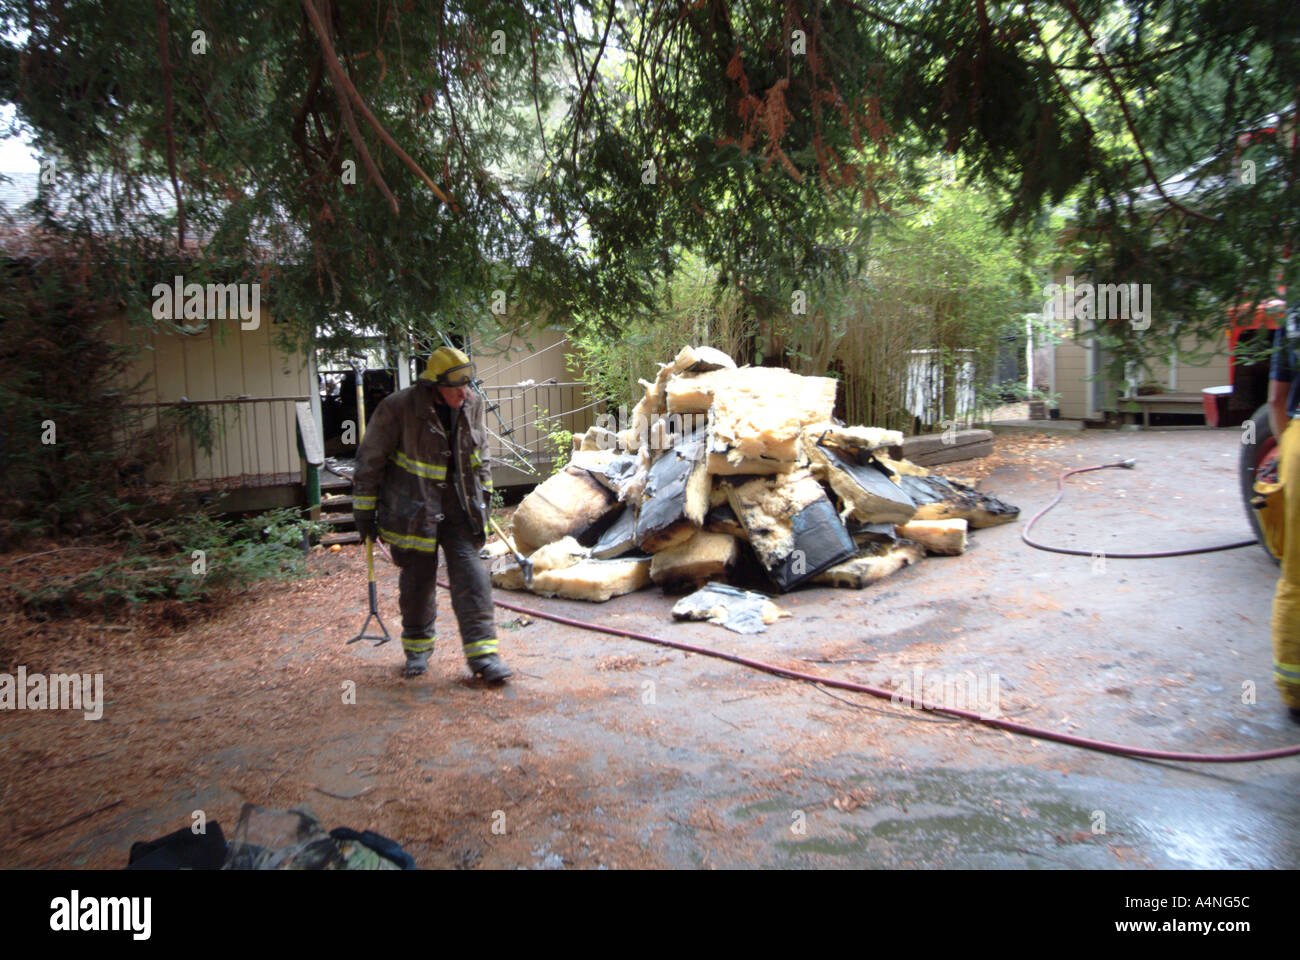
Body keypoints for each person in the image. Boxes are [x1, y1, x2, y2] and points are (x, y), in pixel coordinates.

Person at [351, 346, 511, 682]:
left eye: (467, 385)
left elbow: (481, 453)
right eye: (455, 386)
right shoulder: (398, 408)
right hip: (414, 512)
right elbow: (370, 461)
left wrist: (485, 496)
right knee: (417, 584)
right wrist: (364, 511)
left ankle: (485, 658)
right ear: (434, 384)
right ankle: (418, 652)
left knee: (473, 578)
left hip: (459, 509)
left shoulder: (473, 404)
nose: (463, 392)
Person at [1266, 302, 1300, 721]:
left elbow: (1276, 401)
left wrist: (1284, 452)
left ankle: (1294, 694)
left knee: (1296, 576)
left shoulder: (1294, 313)